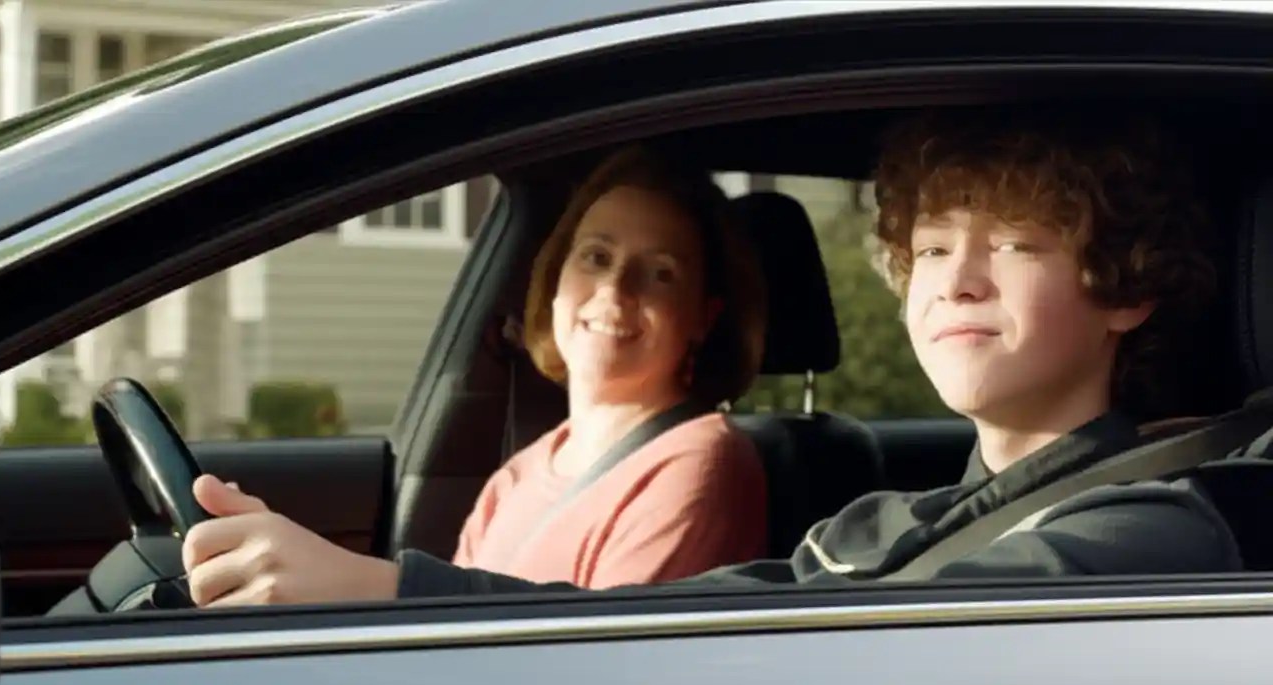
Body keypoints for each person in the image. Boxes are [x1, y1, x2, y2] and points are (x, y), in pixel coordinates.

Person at [181, 107, 1242, 607]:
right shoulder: (878, 527)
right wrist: (376, 587)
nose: (954, 282)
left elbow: (826, 661)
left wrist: (380, 593)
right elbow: (649, 626)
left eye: (1013, 245)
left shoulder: (1148, 537)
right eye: (928, 249)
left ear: (1127, 288)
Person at [179, 145, 771, 605]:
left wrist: (356, 583)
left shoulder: (700, 461)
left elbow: (609, 671)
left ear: (703, 317)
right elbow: (456, 650)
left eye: (660, 273)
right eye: (596, 256)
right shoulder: (518, 475)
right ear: (557, 280)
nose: (615, 289)